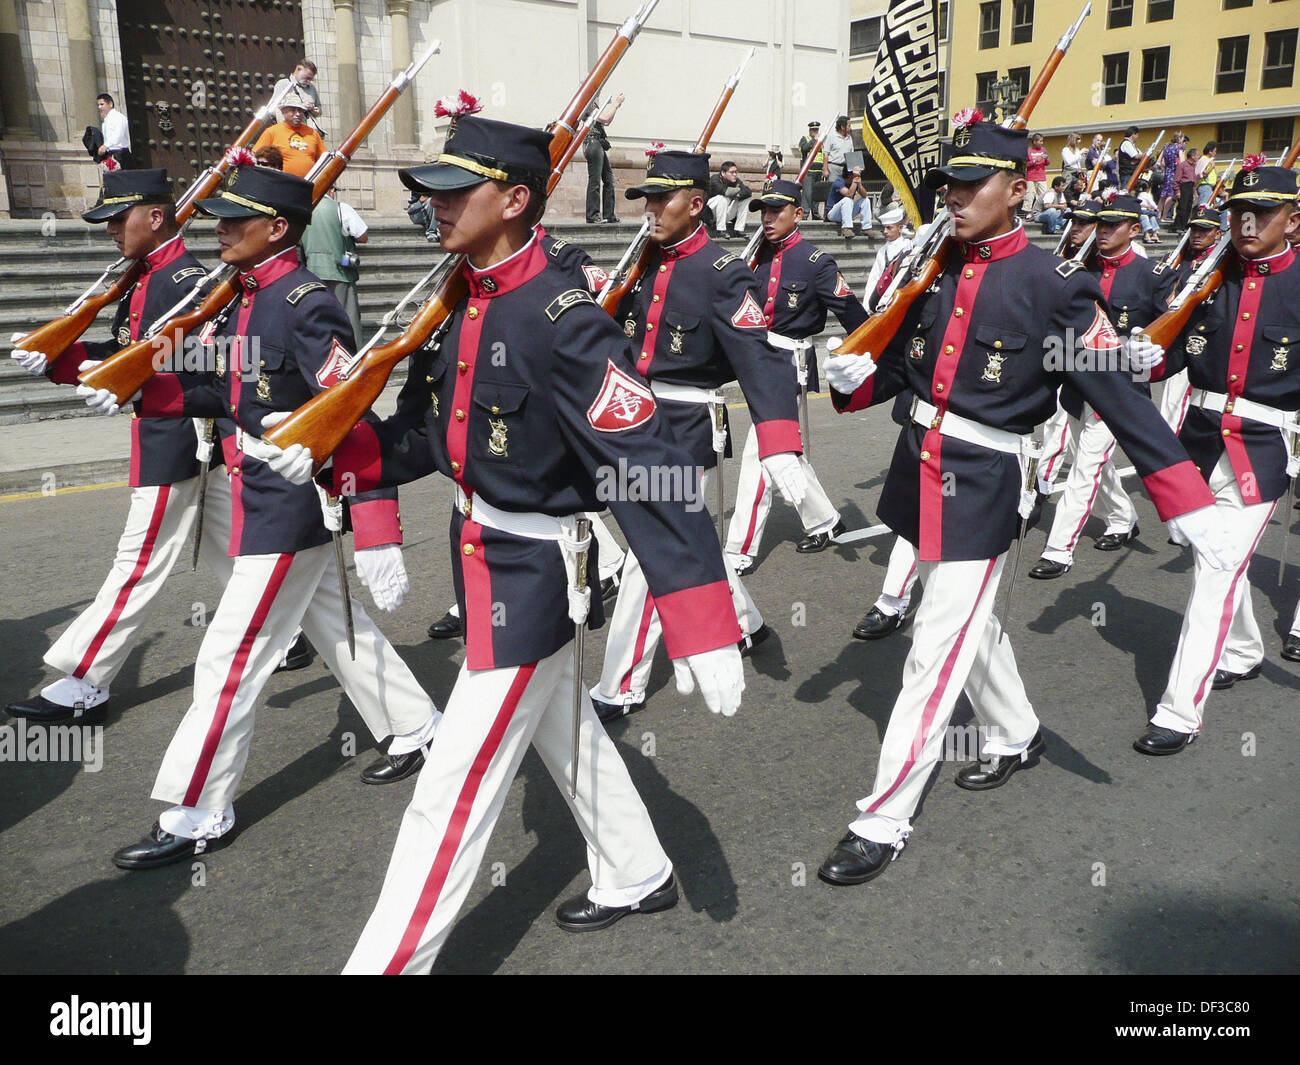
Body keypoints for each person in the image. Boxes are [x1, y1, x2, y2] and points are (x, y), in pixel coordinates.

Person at [260, 116, 747, 973]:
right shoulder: (458, 299)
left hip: (530, 574)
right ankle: (637, 869)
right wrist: (337, 448)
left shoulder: (564, 319)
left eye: (457, 192)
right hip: (479, 549)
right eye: (432, 192)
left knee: (449, 794)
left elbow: (647, 467)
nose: (435, 206)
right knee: (567, 731)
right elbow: (423, 434)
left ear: (516, 200)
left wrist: (701, 617)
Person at [814, 114, 1228, 887]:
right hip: (919, 467)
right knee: (971, 626)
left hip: (982, 486)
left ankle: (883, 816)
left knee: (932, 650)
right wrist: (859, 382)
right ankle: (1015, 731)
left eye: (974, 184)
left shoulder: (1055, 288)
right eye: (951, 184)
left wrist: (1185, 498)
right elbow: (910, 363)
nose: (958, 196)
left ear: (1017, 187)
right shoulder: (938, 264)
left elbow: (1119, 396)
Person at [75, 164, 443, 867]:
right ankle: (415, 724)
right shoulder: (244, 298)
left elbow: (352, 410)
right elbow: (222, 391)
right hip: (255, 490)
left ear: (277, 228)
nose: (218, 228)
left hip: (291, 499)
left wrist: (373, 521)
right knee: (332, 622)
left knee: (229, 653)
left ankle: (200, 810)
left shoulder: (306, 304)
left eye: (235, 219)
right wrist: (132, 386)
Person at [591, 148, 807, 723]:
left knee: (650, 551)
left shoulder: (721, 273)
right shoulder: (643, 262)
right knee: (694, 540)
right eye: (646, 199)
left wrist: (781, 442)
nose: (651, 209)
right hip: (635, 424)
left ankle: (620, 684)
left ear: (695, 204)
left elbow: (760, 361)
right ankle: (748, 622)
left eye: (661, 200)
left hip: (687, 430)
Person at [6, 169, 209, 724]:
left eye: (120, 220)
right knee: (245, 559)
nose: (111, 232)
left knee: (137, 562)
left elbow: (211, 367)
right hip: (165, 437)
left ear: (156, 217)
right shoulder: (147, 276)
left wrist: (133, 380)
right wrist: (57, 359)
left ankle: (84, 680)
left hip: (176, 438)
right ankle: (293, 635)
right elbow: (122, 350)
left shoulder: (186, 279)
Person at [1136, 161, 1300, 754]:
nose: (1247, 222)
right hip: (1200, 442)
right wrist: (1131, 353)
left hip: (1262, 449)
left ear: (1293, 220)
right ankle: (1244, 648)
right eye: (1238, 212)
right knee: (1214, 557)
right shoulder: (1206, 279)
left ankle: (1179, 711)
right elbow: (1164, 359)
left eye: (1263, 213)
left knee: (1214, 574)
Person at [1029, 194, 1177, 580]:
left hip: (1121, 390)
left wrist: (1146, 343)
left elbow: (1170, 333)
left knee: (1084, 469)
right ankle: (1123, 517)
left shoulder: (1153, 276)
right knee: (1098, 464)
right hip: (1079, 385)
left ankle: (1058, 549)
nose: (1105, 231)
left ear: (1134, 228)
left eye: (1115, 225)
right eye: (1102, 224)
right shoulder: (1080, 272)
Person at [724, 178, 866, 571]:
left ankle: (739, 548)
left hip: (789, 366)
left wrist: (875, 358)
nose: (768, 219)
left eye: (776, 211)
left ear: (798, 214)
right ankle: (824, 519)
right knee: (784, 455)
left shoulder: (817, 263)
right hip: (756, 361)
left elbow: (853, 316)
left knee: (762, 452)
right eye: (764, 212)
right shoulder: (755, 257)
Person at [1156, 204, 1224, 433]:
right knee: (1169, 403)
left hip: (1199, 340)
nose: (1197, 235)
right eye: (1194, 230)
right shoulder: (1175, 258)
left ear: (1218, 234)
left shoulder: (1218, 264)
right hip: (1170, 336)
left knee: (1178, 405)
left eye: (1204, 231)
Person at [302, 192, 369, 347]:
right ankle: (353, 358)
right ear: (331, 190)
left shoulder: (304, 210)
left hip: (311, 272)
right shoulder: (340, 208)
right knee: (348, 317)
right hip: (339, 272)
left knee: (318, 317)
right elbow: (362, 236)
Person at [253, 89, 324, 179]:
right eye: (293, 110)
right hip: (281, 184)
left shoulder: (313, 133)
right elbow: (256, 156)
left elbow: (323, 161)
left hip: (307, 185)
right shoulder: (272, 132)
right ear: (283, 112)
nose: (297, 114)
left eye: (300, 110)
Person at [582, 93, 624, 224]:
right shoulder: (587, 103)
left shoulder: (594, 105)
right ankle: (592, 215)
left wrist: (615, 108)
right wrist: (615, 104)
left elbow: (607, 121)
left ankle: (609, 215)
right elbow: (605, 118)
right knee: (595, 180)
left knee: (609, 179)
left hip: (598, 143)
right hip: (592, 143)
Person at [864, 204, 914, 310]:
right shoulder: (882, 251)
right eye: (884, 228)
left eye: (889, 228)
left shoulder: (908, 247)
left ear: (900, 228)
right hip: (883, 297)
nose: (885, 231)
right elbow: (874, 278)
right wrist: (867, 304)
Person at [706, 160, 751, 238]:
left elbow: (748, 192)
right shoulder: (714, 179)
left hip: (724, 214)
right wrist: (738, 191)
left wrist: (738, 194)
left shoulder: (736, 181)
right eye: (732, 172)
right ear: (723, 173)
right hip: (710, 214)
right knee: (722, 198)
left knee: (745, 199)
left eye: (736, 172)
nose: (734, 174)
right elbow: (726, 192)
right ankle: (720, 230)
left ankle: (738, 230)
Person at [826, 164, 871, 237]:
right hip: (833, 214)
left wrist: (859, 184)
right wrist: (854, 182)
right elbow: (849, 194)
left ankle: (866, 228)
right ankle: (846, 228)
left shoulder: (854, 183)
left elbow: (864, 195)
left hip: (847, 213)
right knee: (847, 200)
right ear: (850, 175)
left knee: (866, 200)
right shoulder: (838, 182)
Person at [96, 93, 132, 169]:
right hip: (111, 153)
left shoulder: (118, 117)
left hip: (120, 153)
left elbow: (118, 134)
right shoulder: (107, 119)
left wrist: (105, 145)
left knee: (121, 178)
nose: (100, 107)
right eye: (98, 105)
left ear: (110, 104)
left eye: (102, 104)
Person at [797, 120, 825, 220]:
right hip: (808, 171)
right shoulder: (805, 139)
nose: (815, 131)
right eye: (813, 130)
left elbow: (823, 154)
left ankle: (816, 214)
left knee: (817, 194)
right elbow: (804, 149)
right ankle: (804, 215)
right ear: (810, 130)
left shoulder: (821, 141)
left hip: (818, 171)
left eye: (816, 129)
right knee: (807, 194)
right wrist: (814, 140)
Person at [1158, 132, 1185, 222]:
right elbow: (1182, 161)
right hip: (1175, 173)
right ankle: (1164, 215)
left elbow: (1160, 162)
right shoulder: (1179, 147)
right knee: (1170, 194)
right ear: (1180, 138)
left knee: (1163, 194)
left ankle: (1158, 214)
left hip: (1167, 172)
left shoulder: (1166, 146)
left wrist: (1166, 167)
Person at [1024, 133, 1049, 218]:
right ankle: (1028, 212)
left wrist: (1045, 159)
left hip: (1041, 176)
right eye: (1040, 141)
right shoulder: (1028, 150)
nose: (1042, 143)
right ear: (1034, 141)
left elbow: (1048, 163)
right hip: (1031, 176)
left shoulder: (1044, 150)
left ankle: (1041, 211)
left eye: (1042, 141)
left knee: (1044, 194)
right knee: (1030, 194)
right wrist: (1035, 160)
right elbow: (1026, 164)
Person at [824, 115, 853, 186]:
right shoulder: (831, 136)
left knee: (844, 190)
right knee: (833, 188)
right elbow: (826, 154)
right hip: (833, 168)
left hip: (845, 169)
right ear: (842, 127)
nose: (850, 128)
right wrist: (825, 169)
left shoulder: (849, 138)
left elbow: (851, 154)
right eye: (849, 126)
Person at [1196, 142, 1220, 207]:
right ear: (1210, 151)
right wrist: (1212, 166)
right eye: (1214, 151)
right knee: (1203, 205)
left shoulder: (1209, 160)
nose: (1215, 153)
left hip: (1209, 186)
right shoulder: (1204, 160)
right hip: (1205, 185)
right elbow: (1203, 174)